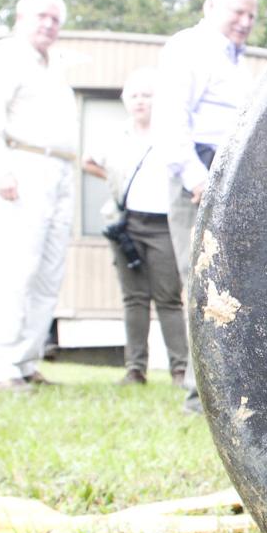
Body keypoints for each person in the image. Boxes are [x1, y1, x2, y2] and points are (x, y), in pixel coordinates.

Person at [154, 0, 259, 413]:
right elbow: (170, 121)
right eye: (238, 11)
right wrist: (198, 180)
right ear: (210, 5)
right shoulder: (189, 49)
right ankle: (201, 395)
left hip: (229, 173)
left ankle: (224, 386)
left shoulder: (238, 61)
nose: (246, 21)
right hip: (200, 175)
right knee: (201, 282)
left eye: (252, 14)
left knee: (231, 284)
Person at [82, 68, 189, 387]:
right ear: (124, 100)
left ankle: (180, 369)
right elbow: (88, 161)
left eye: (147, 95)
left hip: (163, 224)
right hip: (126, 223)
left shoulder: (170, 134)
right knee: (134, 298)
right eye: (134, 95)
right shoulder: (115, 134)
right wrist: (116, 182)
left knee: (168, 297)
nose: (140, 101)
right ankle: (135, 368)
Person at [0, 0, 79, 392]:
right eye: (40, 16)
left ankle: (27, 360)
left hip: (61, 168)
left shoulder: (55, 66)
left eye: (55, 19)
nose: (48, 24)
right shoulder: (7, 56)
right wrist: (1, 171)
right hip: (22, 164)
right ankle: (4, 364)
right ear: (20, 16)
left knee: (49, 270)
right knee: (18, 267)